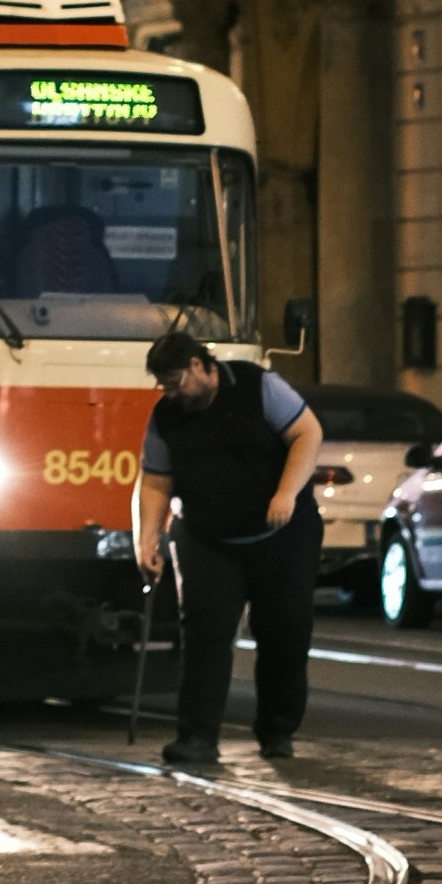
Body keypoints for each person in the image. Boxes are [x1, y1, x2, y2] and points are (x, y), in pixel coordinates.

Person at [132, 325, 324, 773]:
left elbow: (307, 434)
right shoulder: (166, 416)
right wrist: (147, 537)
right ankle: (196, 738)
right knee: (203, 635)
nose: (171, 392)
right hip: (207, 537)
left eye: (176, 381)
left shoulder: (258, 386)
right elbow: (157, 479)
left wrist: (286, 493)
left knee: (284, 632)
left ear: (200, 366)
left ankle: (276, 731)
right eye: (163, 385)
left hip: (281, 534)